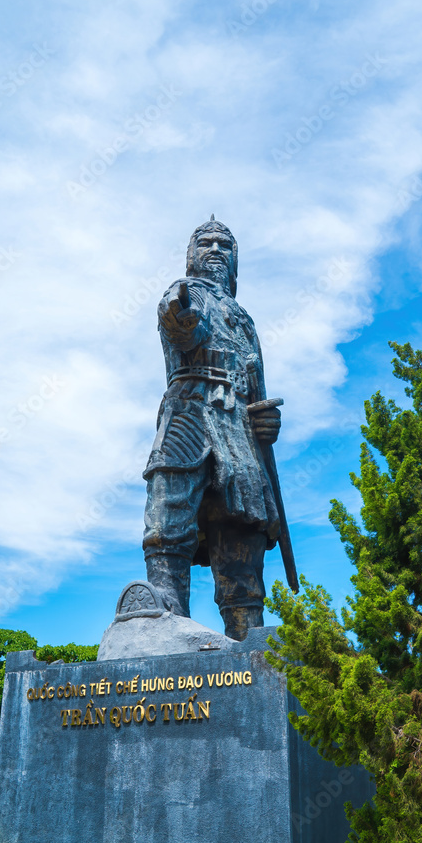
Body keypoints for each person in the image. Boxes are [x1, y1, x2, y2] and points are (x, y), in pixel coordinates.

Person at [142, 217, 287, 640]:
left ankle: (249, 646)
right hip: (189, 415)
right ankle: (163, 625)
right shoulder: (186, 293)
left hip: (240, 434)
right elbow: (181, 324)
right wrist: (180, 313)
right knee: (168, 524)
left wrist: (266, 422)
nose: (215, 249)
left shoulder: (244, 320)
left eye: (225, 244)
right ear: (191, 256)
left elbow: (254, 388)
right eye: (204, 242)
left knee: (242, 541)